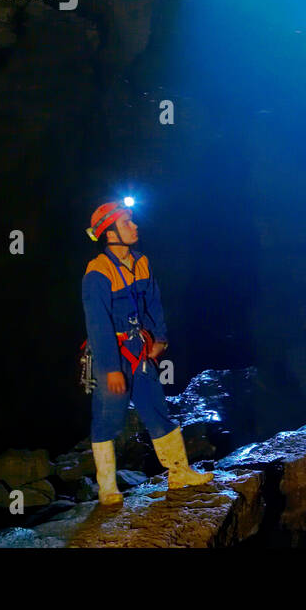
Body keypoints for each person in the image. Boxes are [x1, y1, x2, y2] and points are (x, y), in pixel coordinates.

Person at [82, 199, 212, 506]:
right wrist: (111, 368)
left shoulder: (141, 261)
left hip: (140, 352)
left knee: (156, 409)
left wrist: (161, 339)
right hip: (110, 355)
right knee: (108, 418)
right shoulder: (97, 273)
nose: (135, 226)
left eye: (132, 221)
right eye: (127, 222)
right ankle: (107, 488)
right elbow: (97, 324)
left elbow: (153, 303)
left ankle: (179, 472)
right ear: (110, 232)